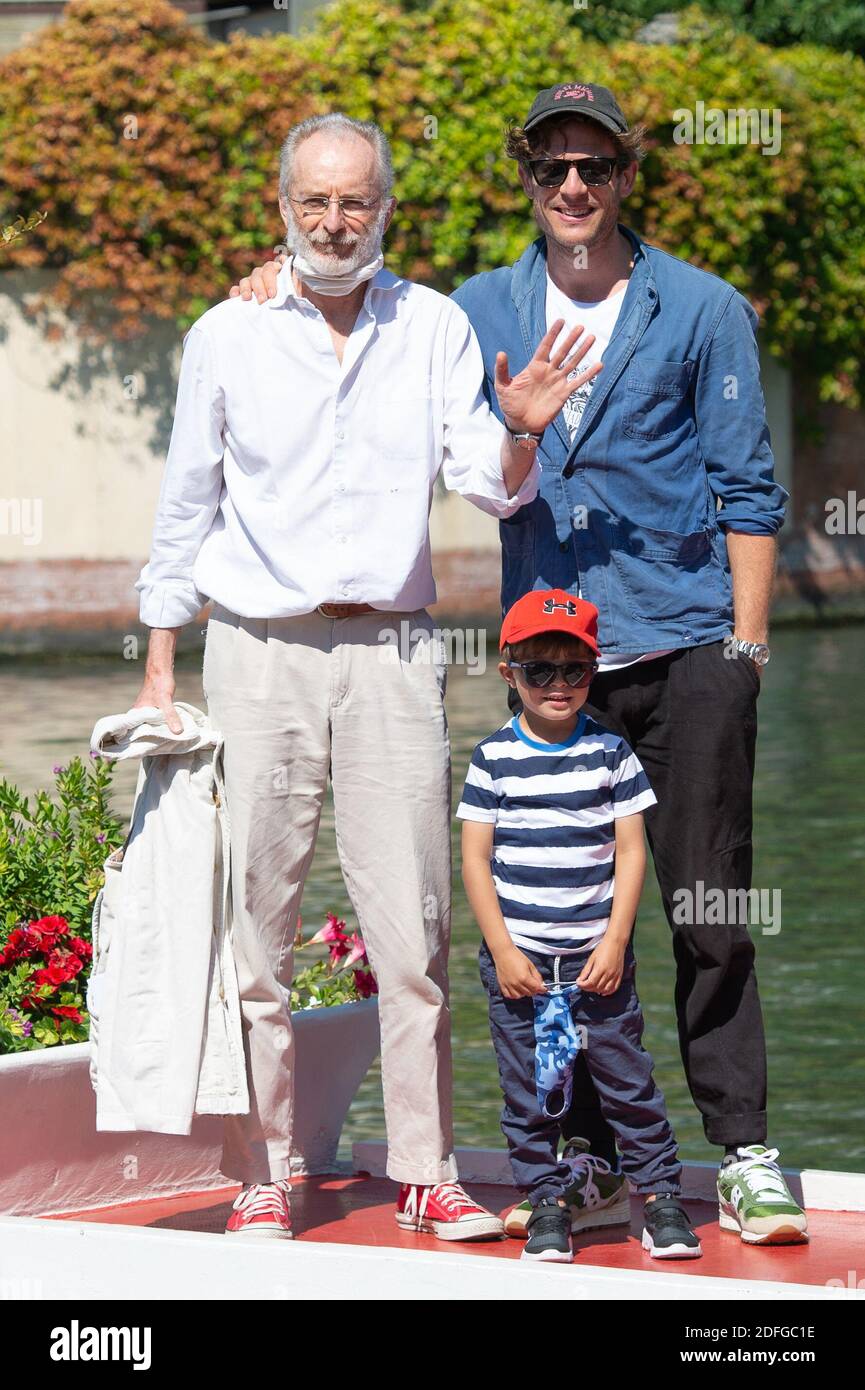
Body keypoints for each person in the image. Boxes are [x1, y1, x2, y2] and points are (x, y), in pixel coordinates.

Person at [232, 81, 808, 1248]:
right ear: (528, 181)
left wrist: (745, 650)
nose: (574, 188)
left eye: (595, 166)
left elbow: (750, 491)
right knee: (557, 922)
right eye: (552, 170)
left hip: (689, 640)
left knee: (704, 903)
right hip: (553, 665)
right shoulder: (474, 311)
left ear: (624, 176)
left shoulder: (700, 308)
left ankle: (742, 1146)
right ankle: (591, 1157)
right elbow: (355, 290)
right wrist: (268, 274)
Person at [132, 113, 602, 1242]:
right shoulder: (223, 336)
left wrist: (525, 434)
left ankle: (426, 1171)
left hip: (394, 653)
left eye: (355, 202)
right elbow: (186, 500)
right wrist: (159, 659)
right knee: (256, 933)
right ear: (281, 208)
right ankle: (263, 1172)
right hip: (256, 649)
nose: (335, 222)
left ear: (384, 208)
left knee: (415, 932)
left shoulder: (433, 326)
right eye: (314, 203)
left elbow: (483, 480)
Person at [457, 589, 702, 1263]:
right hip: (522, 974)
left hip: (599, 966)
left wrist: (617, 940)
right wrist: (503, 950)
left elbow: (629, 851)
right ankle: (545, 1204)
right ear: (509, 673)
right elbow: (476, 861)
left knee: (630, 1087)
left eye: (575, 670)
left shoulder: (611, 753)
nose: (558, 685)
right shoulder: (491, 760)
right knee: (532, 1096)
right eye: (540, 670)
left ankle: (659, 1200)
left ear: (593, 673)